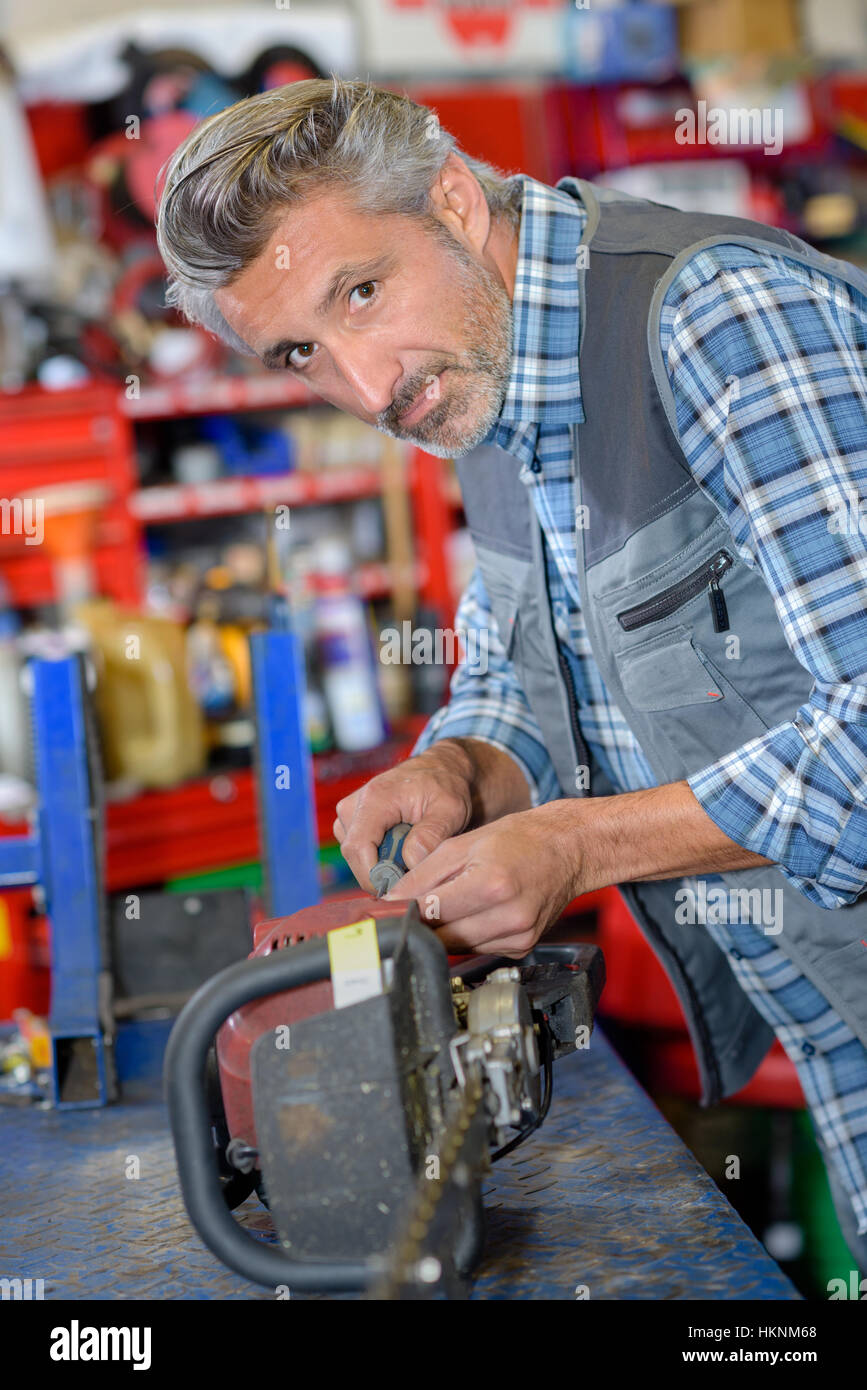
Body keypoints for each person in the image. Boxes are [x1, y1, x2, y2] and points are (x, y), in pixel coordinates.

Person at [157, 77, 867, 1275]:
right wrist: (465, 766)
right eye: (303, 352)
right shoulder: (475, 379)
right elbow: (529, 666)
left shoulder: (719, 318)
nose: (368, 386)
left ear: (451, 197)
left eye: (363, 291)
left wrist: (579, 846)